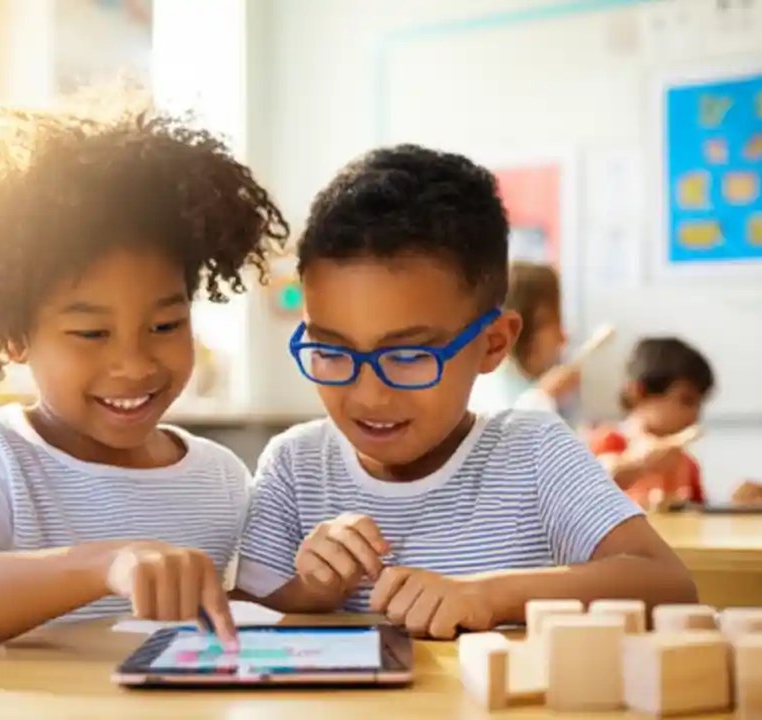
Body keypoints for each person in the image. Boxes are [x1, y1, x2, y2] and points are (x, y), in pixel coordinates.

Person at [234, 144, 696, 639]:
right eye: (332, 352)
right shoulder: (294, 466)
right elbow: (240, 617)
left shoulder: (533, 450)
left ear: (493, 343)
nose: (367, 395)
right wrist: (312, 593)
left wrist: (487, 596)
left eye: (408, 357)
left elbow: (667, 585)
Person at [0, 99, 288, 652]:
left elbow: (244, 618)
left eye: (166, 324)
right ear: (16, 337)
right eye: (92, 334)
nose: (136, 364)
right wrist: (103, 562)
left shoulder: (218, 477)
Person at [587, 338, 713, 510]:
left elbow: (699, 515)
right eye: (686, 400)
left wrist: (739, 506)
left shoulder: (686, 463)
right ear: (639, 392)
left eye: (699, 404)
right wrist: (637, 463)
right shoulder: (606, 442)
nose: (694, 414)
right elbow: (586, 489)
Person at [469, 262, 580, 418]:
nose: (562, 338)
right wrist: (543, 396)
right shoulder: (491, 392)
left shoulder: (528, 382)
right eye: (550, 322)